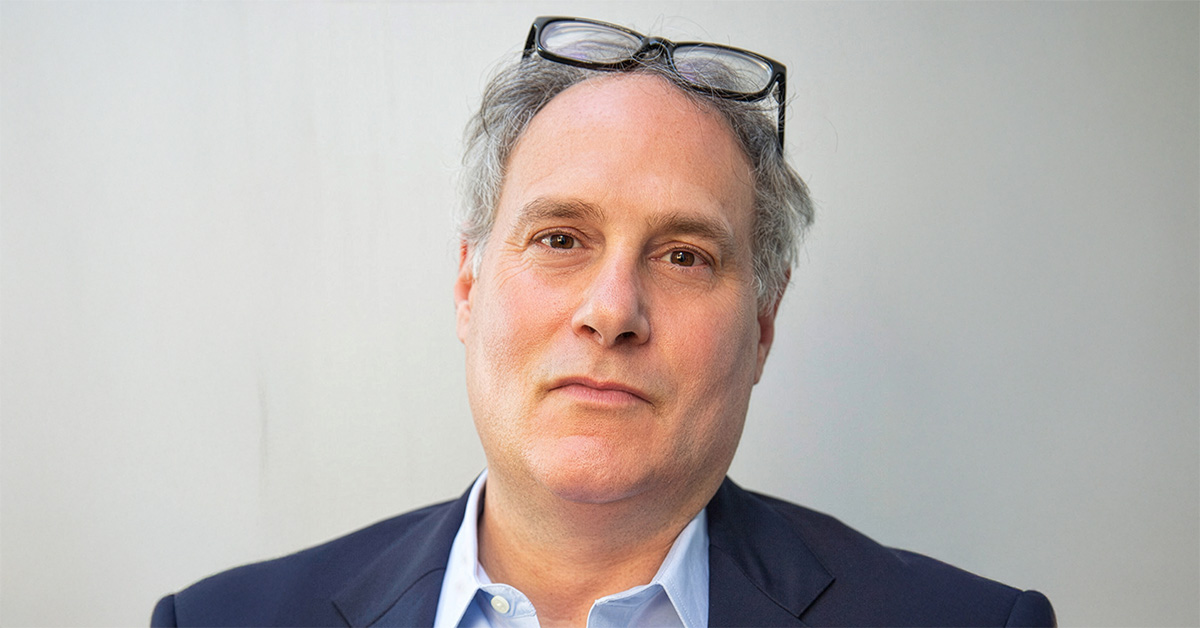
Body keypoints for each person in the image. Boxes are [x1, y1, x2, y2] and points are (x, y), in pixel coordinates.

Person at [152, 16, 1055, 627]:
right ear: (468, 285)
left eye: (684, 256)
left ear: (763, 327)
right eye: (560, 239)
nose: (613, 311)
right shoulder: (221, 622)